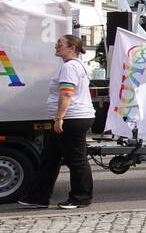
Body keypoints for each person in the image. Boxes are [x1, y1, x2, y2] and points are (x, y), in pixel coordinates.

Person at [18, 35, 95, 209]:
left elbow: (66, 94)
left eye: (60, 44)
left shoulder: (70, 67)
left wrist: (59, 118)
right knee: (50, 157)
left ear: (72, 47)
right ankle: (38, 197)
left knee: (76, 159)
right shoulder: (75, 66)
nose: (56, 46)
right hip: (71, 117)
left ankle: (81, 197)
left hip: (72, 118)